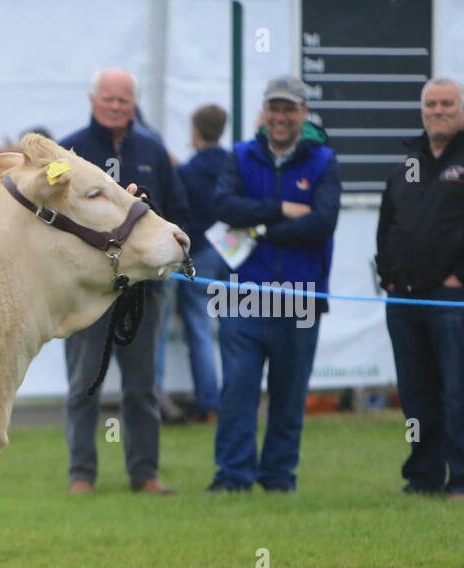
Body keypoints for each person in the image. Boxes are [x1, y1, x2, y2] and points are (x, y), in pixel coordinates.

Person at [58, 68, 190, 495]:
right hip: (88, 292)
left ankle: (145, 474)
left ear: (134, 104)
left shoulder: (153, 149)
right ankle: (81, 475)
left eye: (124, 101)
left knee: (141, 388)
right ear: (92, 100)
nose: (116, 107)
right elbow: (55, 220)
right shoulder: (71, 153)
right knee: (84, 385)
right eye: (109, 100)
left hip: (143, 293)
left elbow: (179, 212)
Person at [206, 76, 340, 493]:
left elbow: (322, 223)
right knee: (238, 392)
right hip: (242, 294)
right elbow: (224, 206)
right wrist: (281, 210)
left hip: (300, 297)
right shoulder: (240, 155)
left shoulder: (323, 160)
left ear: (303, 113)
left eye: (289, 109)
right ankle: (233, 476)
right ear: (263, 112)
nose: (280, 117)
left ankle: (279, 477)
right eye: (274, 108)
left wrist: (259, 229)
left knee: (289, 394)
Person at [376, 77, 464, 499]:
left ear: (461, 110)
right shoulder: (404, 167)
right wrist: (388, 275)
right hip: (404, 299)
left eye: (447, 103)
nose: (439, 111)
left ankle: (461, 478)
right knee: (415, 395)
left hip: (452, 298)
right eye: (431, 104)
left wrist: (458, 278)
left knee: (457, 391)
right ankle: (423, 475)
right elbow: (387, 226)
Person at [166, 104, 230, 423]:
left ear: (195, 131)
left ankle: (209, 403)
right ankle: (231, 398)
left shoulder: (187, 172)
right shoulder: (234, 165)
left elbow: (180, 210)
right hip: (231, 253)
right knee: (233, 330)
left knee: (200, 330)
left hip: (201, 253)